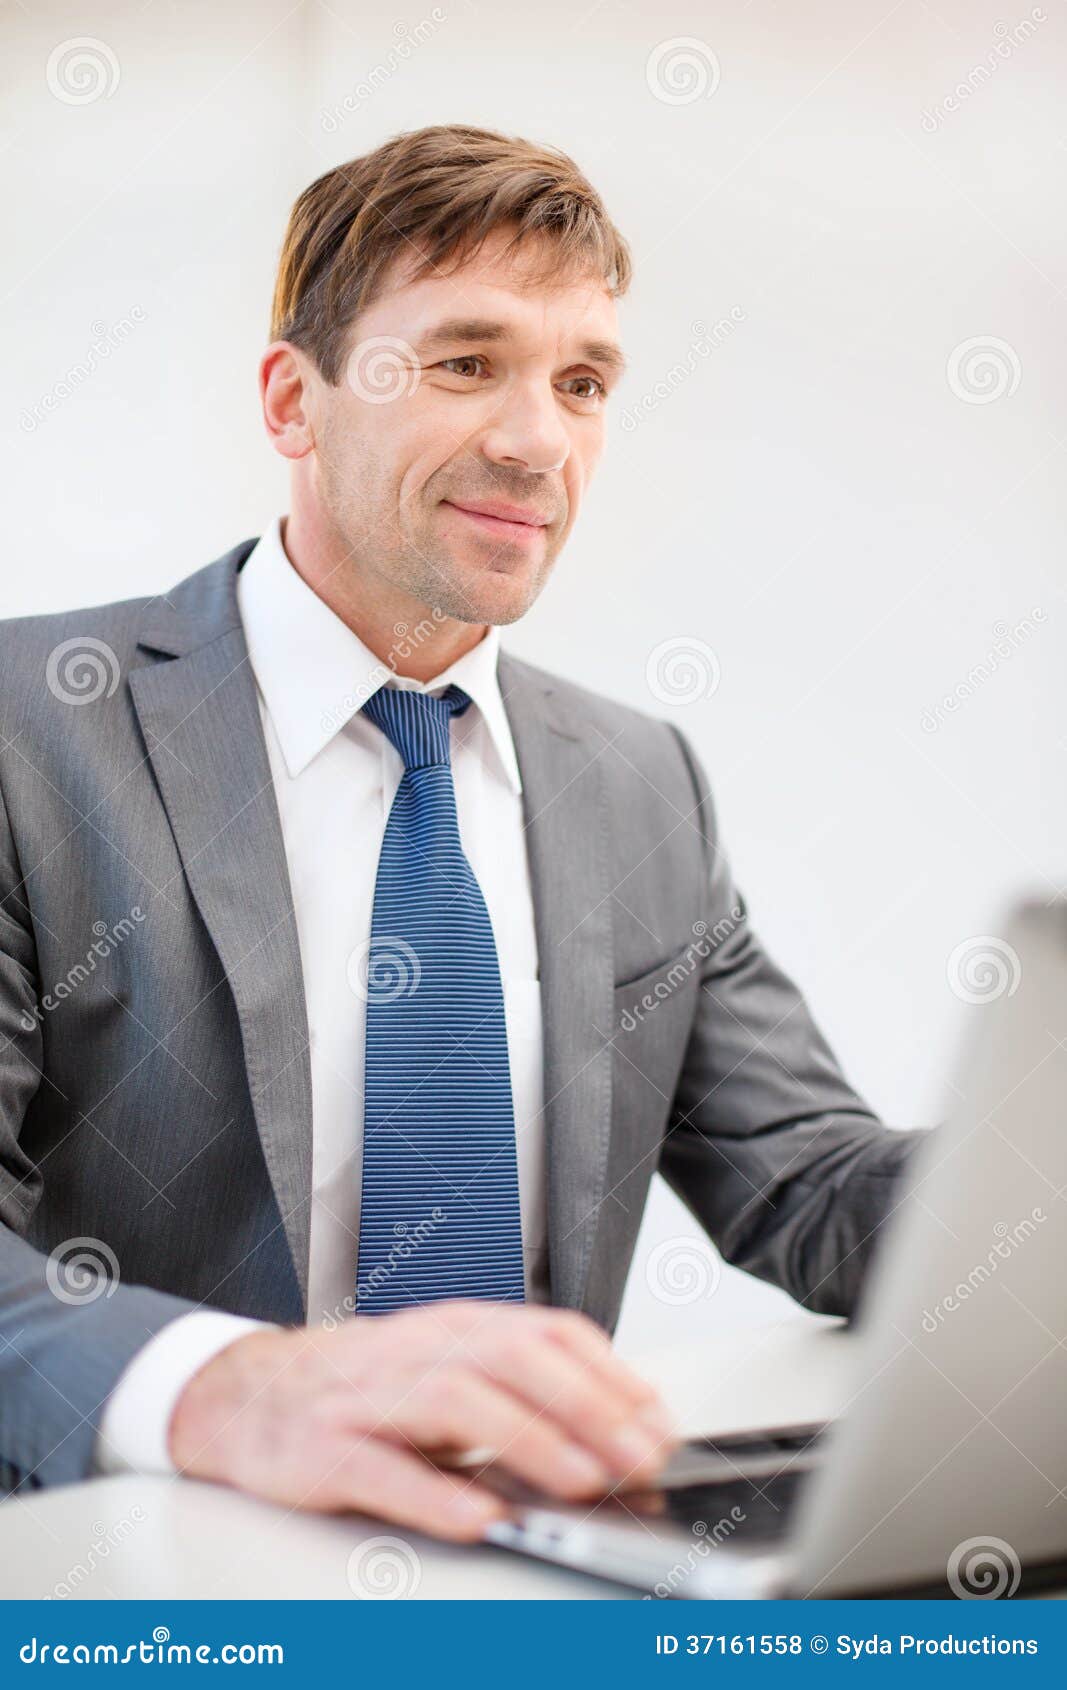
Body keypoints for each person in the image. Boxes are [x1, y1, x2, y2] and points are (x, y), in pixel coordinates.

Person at [0, 124, 925, 1539]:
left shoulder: (635, 780)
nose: (537, 438)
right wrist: (226, 1387)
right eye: (465, 362)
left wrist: (1022, 1202)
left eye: (583, 381)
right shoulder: (30, 733)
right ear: (292, 400)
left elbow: (809, 1184)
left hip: (538, 1575)